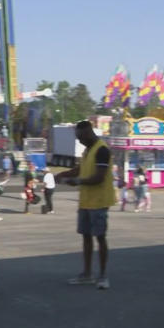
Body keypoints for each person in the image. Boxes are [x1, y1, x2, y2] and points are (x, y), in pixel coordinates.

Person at [55, 120, 114, 290]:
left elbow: (99, 177)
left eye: (81, 138)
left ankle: (103, 276)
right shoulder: (88, 150)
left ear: (88, 134)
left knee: (100, 237)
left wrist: (78, 181)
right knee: (86, 237)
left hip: (99, 202)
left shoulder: (102, 150)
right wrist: (63, 174)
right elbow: (80, 169)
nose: (79, 141)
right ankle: (87, 273)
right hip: (86, 201)